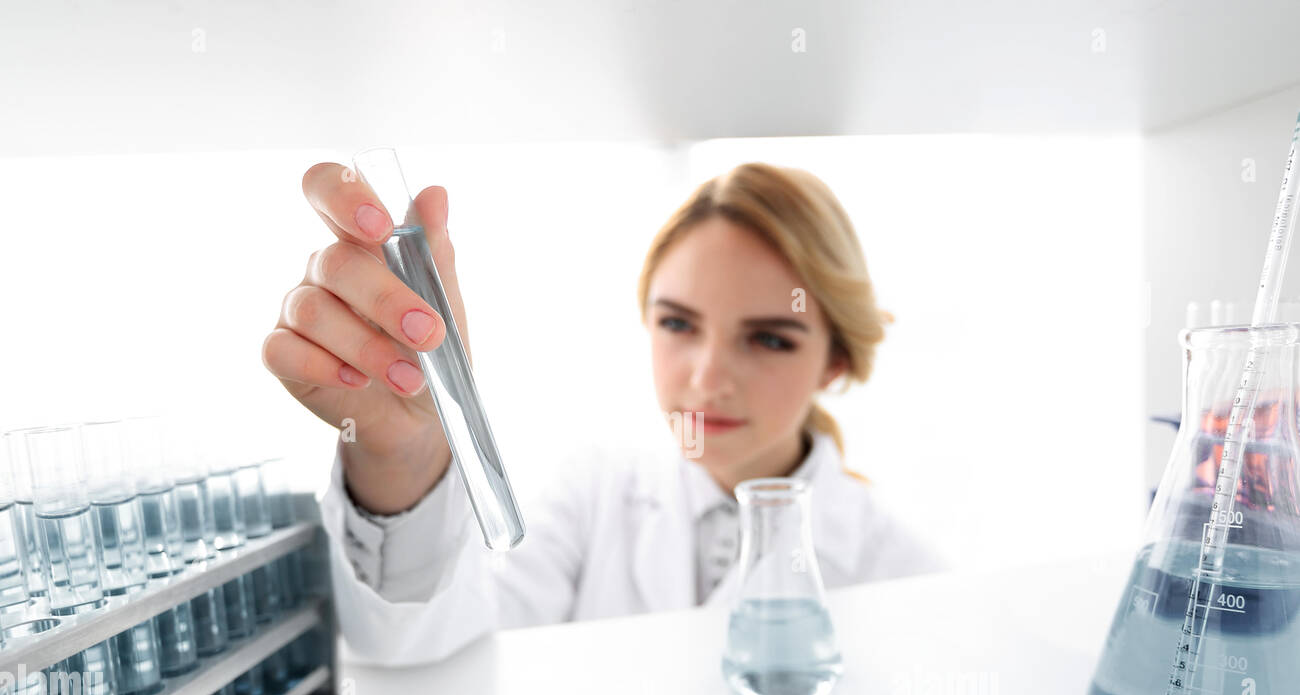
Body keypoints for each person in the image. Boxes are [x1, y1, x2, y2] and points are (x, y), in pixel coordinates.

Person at [263, 160, 949, 666]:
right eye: (679, 324)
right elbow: (426, 649)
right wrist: (400, 455)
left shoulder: (905, 577)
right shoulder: (590, 499)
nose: (707, 379)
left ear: (835, 360)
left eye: (769, 337)